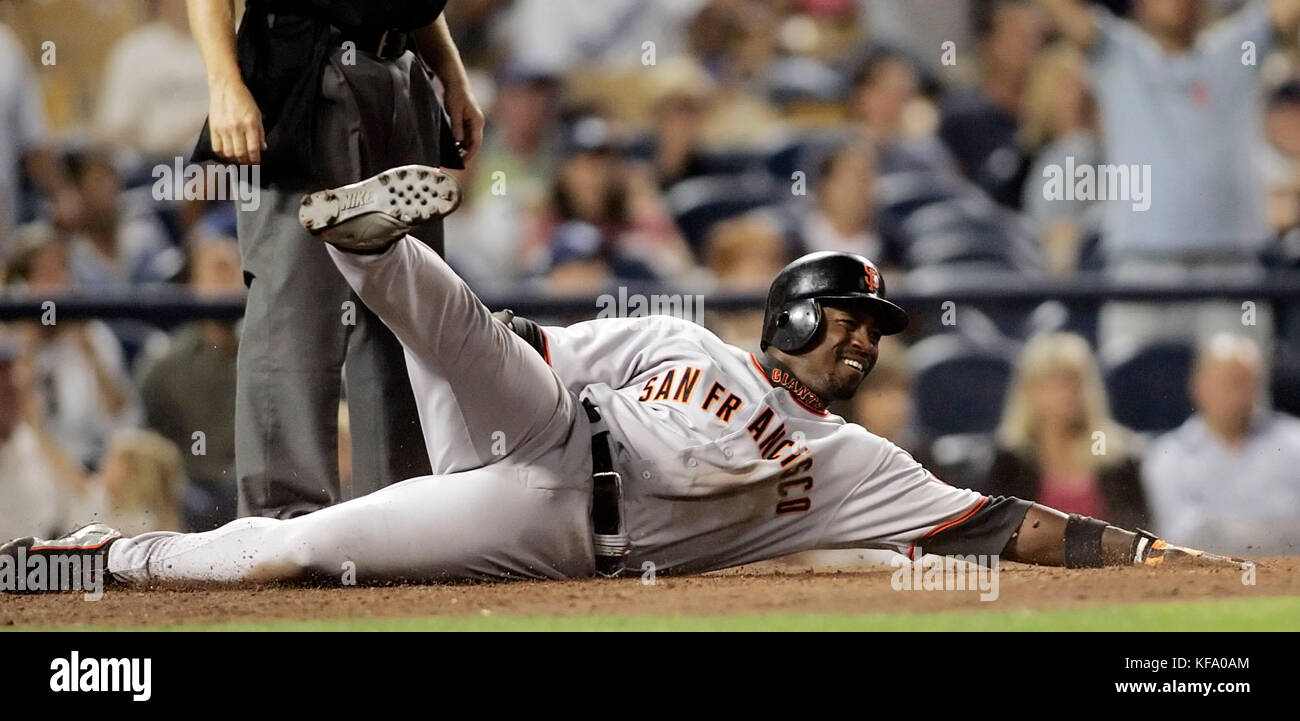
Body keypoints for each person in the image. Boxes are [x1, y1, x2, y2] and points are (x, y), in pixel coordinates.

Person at [1, 165, 1246, 588]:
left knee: (288, 555)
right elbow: (522, 365)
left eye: (880, 328)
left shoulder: (855, 462)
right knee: (469, 331)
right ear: (802, 308)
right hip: (545, 421)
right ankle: (356, 221)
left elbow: (1002, 523)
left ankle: (101, 559)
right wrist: (464, 364)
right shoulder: (689, 342)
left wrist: (1143, 559)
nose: (871, 341)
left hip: (545, 527)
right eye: (858, 318)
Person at [185, 0, 483, 518]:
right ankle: (280, 525)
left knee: (405, 320)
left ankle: (399, 521)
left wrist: (450, 72)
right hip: (305, 73)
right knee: (295, 320)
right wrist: (223, 84)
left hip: (402, 71)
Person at [1038, 0, 1300, 353]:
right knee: (1131, 394)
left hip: (1230, 272)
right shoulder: (1118, 53)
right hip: (1141, 271)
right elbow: (1064, 14)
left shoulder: (1239, 47)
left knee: (1235, 400)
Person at [1143, 334, 1300, 556]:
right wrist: (1275, 531)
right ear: (1198, 386)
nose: (1237, 395)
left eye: (1245, 382)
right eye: (1226, 383)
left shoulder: (1294, 442)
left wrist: (1226, 530)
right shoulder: (1169, 455)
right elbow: (1182, 536)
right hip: (1202, 583)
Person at [987, 332, 1149, 530]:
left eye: (1073, 381)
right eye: (1052, 383)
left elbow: (1137, 530)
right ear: (1029, 391)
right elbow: (997, 532)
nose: (1065, 393)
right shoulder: (1011, 460)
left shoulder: (1117, 457)